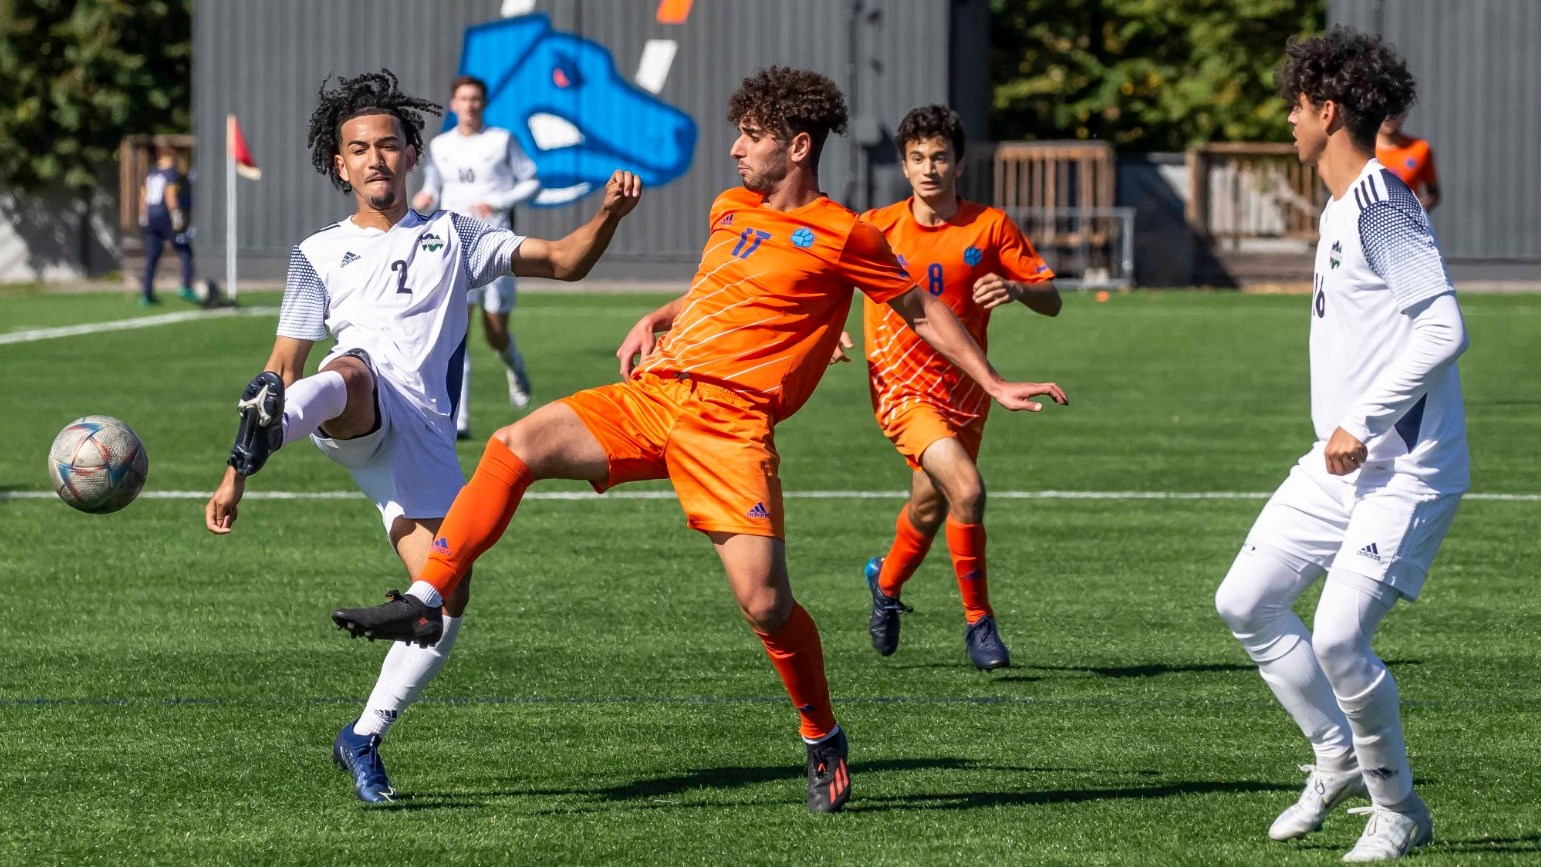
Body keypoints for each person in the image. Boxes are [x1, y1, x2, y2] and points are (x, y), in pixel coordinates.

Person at [331, 66, 1068, 814]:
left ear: (798, 144)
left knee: (765, 604)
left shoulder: (849, 233)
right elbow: (725, 285)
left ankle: (820, 734)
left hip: (730, 427)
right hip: (657, 395)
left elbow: (919, 309)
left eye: (751, 136)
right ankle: (427, 599)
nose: (736, 151)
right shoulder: (729, 207)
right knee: (515, 442)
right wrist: (661, 316)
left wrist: (994, 378)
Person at [202, 69, 639, 804]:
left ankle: (362, 735)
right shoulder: (316, 252)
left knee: (441, 602)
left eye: (388, 144)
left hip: (420, 441)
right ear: (338, 164)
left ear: (412, 154)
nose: (375, 158)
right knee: (349, 370)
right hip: (348, 407)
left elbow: (565, 262)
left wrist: (609, 214)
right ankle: (268, 442)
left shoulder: (455, 235)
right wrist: (236, 468)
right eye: (358, 149)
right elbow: (281, 369)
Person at [1214, 28, 1467, 861]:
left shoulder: (1381, 201)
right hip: (1337, 461)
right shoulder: (1336, 204)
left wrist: (1364, 420)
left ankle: (1396, 806)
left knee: (1337, 637)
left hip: (1404, 469)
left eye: (1294, 105)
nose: (1287, 120)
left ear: (1326, 110)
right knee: (1244, 600)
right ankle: (1334, 755)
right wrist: (1345, 431)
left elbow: (1442, 327)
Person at [847, 105, 1060, 671]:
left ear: (959, 163)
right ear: (904, 164)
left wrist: (1016, 290)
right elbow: (824, 285)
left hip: (966, 392)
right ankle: (979, 626)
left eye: (940, 157)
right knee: (966, 490)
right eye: (917, 158)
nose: (929, 168)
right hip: (900, 390)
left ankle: (885, 586)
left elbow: (1051, 298)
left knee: (928, 504)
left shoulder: (989, 226)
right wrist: (826, 337)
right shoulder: (875, 228)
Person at [412, 75, 541, 437]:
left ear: (483, 104)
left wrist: (498, 201)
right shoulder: (440, 146)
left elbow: (532, 180)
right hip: (454, 245)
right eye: (463, 99)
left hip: (497, 245)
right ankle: (460, 420)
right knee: (456, 332)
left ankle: (513, 367)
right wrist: (425, 199)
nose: (469, 105)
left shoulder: (501, 141)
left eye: (475, 99)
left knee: (495, 333)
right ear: (453, 104)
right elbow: (433, 186)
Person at [139, 140, 198, 307]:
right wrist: (176, 215)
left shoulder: (152, 172)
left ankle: (146, 294)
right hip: (164, 217)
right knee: (185, 250)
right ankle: (186, 286)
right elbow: (170, 196)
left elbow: (143, 197)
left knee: (152, 256)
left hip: (150, 218)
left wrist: (142, 215)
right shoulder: (171, 173)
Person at [1375, 112, 1440, 212]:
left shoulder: (1420, 149)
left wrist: (1416, 208)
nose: (1388, 117)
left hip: (1406, 222)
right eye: (1384, 111)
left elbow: (1433, 193)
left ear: (1403, 113)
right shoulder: (1360, 150)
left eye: (1394, 111)